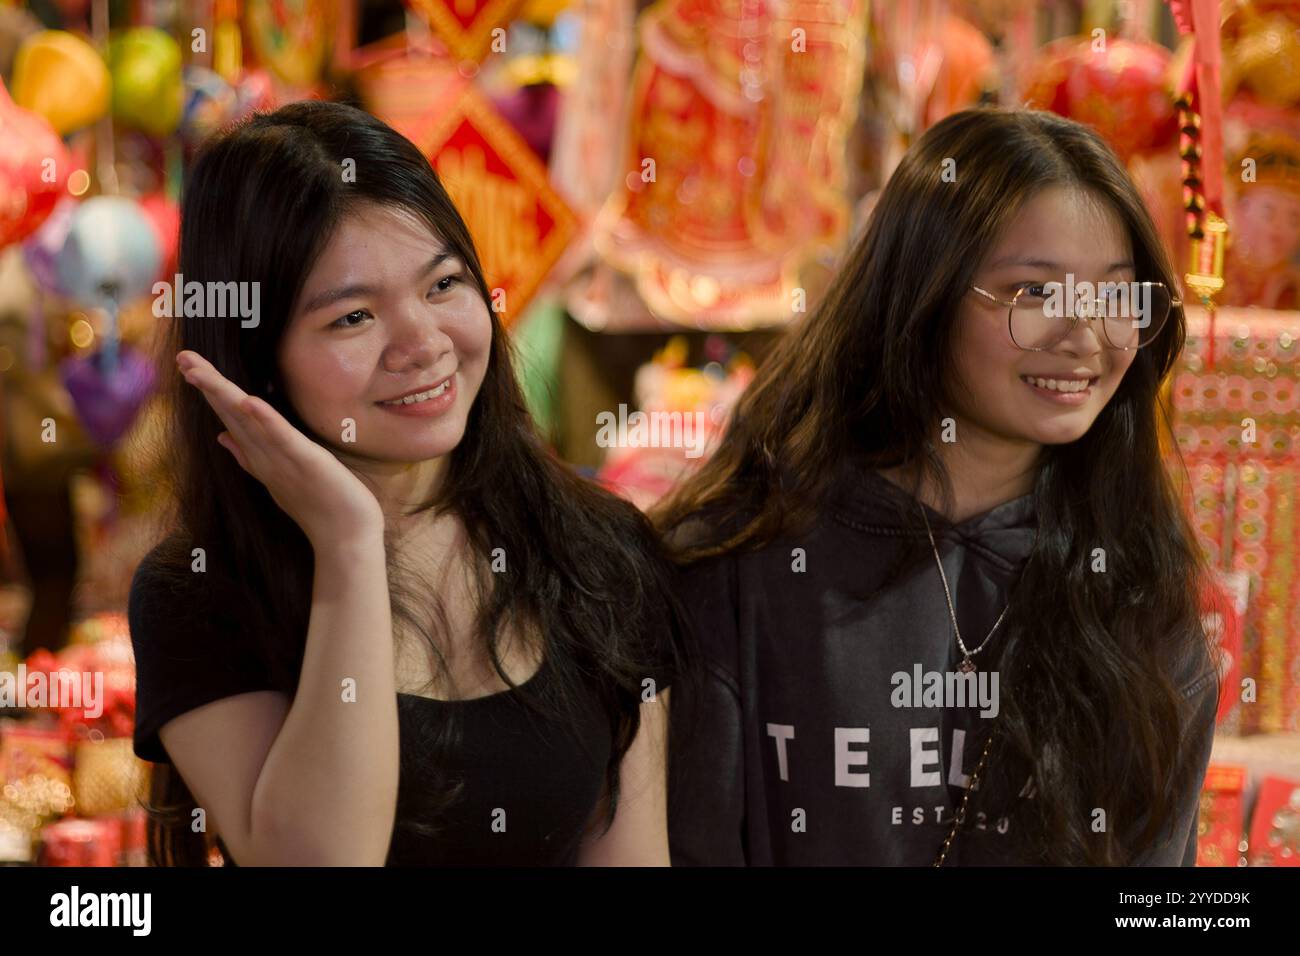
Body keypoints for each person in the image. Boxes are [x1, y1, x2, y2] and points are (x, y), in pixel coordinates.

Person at [656, 107, 1222, 866]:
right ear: (922, 293)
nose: (1085, 338)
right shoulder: (744, 561)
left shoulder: (1140, 591)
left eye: (1118, 297)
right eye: (1034, 293)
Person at [129, 100, 685, 866]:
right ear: (253, 363)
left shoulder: (598, 547)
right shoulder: (201, 592)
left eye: (443, 283)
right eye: (353, 318)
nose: (423, 344)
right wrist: (348, 545)